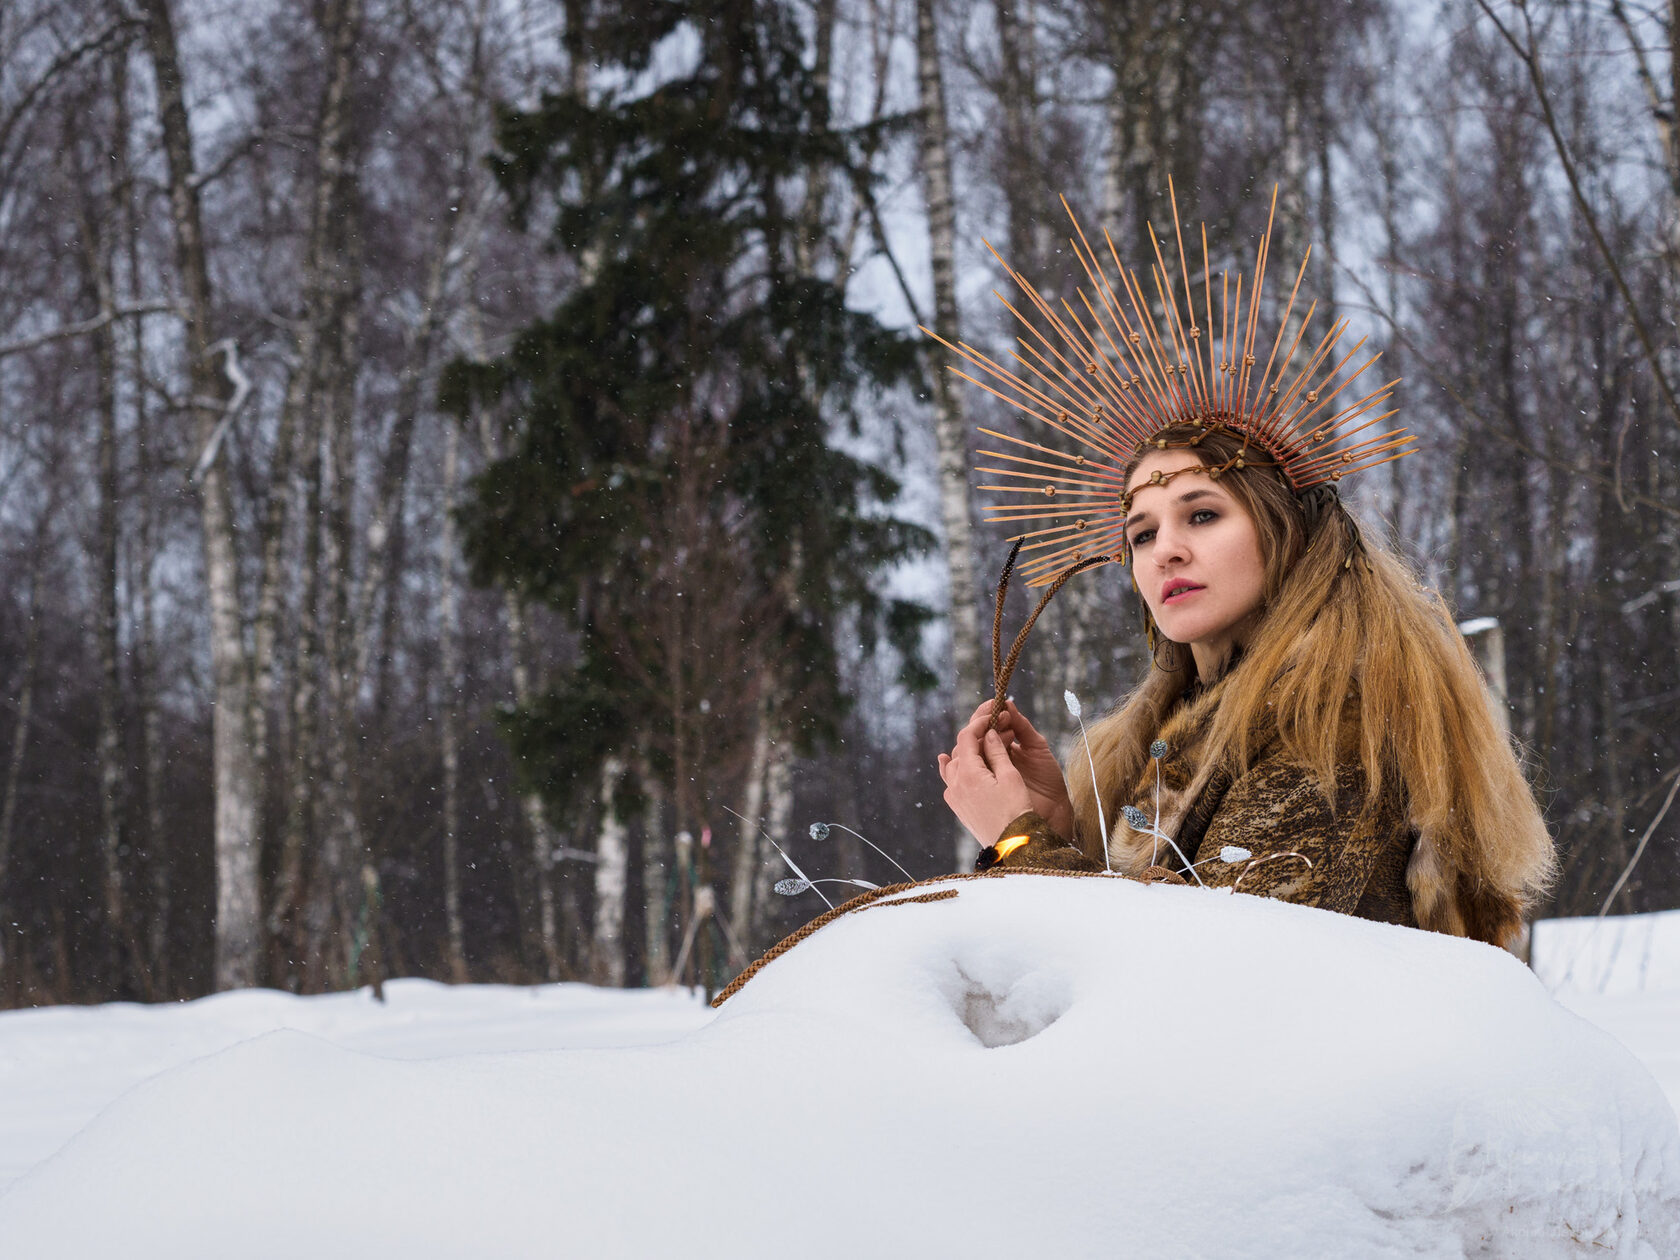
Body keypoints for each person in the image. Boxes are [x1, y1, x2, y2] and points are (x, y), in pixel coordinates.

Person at [930, 189, 1554, 950]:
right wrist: (1062, 825)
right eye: (1141, 532)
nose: (1166, 550)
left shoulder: (1332, 731)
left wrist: (1020, 841)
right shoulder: (1158, 744)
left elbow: (1211, 990)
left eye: (1202, 514)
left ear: (1285, 533)